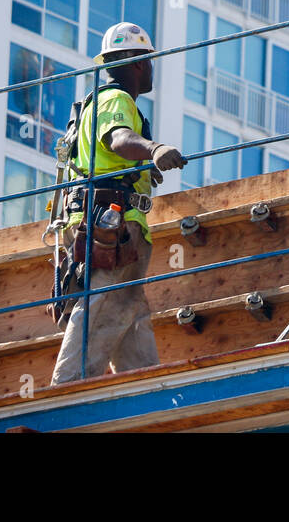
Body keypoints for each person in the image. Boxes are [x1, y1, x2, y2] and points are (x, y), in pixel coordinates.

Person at [50, 22, 188, 384]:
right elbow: (119, 139)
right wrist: (154, 149)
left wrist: (143, 166)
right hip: (111, 225)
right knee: (100, 308)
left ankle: (143, 396)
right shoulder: (116, 99)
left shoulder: (95, 103)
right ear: (140, 63)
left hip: (104, 224)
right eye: (151, 61)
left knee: (127, 311)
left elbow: (110, 156)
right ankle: (62, 401)